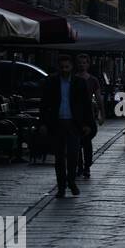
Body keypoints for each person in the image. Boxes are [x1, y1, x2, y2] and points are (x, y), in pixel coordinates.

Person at [40, 55, 94, 197]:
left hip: (73, 124)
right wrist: (43, 123)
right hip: (57, 123)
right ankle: (61, 187)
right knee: (59, 157)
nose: (64, 70)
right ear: (58, 67)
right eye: (62, 67)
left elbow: (87, 105)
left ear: (71, 67)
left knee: (73, 155)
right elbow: (44, 104)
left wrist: (88, 124)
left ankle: (71, 181)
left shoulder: (79, 83)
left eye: (67, 67)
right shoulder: (51, 82)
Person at [74, 54, 103, 180]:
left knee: (86, 141)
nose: (82, 65)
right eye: (80, 63)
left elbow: (98, 97)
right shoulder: (73, 79)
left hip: (89, 115)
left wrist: (102, 113)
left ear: (88, 64)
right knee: (76, 142)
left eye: (84, 63)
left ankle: (87, 166)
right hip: (75, 115)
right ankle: (80, 166)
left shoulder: (93, 80)